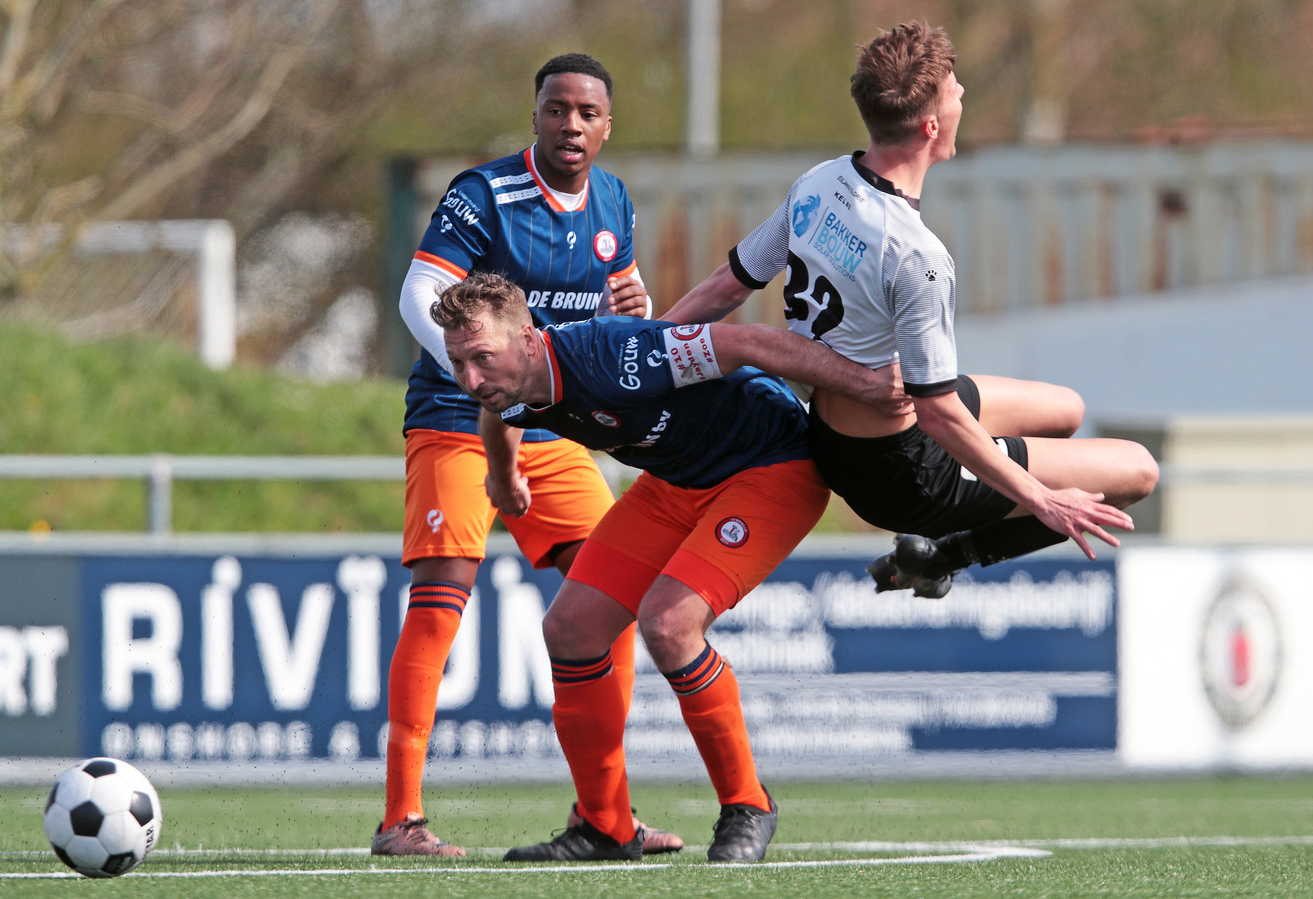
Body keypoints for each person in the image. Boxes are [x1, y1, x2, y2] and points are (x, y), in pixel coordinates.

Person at [663, 21, 1158, 597]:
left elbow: (728, 284)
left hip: (831, 433)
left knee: (1065, 410)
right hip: (904, 474)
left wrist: (642, 348)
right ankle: (946, 556)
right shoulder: (919, 256)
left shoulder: (819, 183)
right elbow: (938, 416)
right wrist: (1043, 501)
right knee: (1138, 470)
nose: (963, 96)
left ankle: (971, 528)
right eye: (954, 89)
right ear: (931, 126)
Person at [432, 271, 906, 862]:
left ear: (529, 339)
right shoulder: (512, 385)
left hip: (770, 466)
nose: (471, 379)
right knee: (570, 630)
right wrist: (502, 481)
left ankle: (748, 805)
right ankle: (605, 826)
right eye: (457, 363)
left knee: (669, 626)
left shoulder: (612, 354)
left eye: (482, 358)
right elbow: (500, 417)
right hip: (678, 482)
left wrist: (864, 384)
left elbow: (748, 343)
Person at [377, 52, 683, 857]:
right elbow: (419, 293)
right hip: (454, 418)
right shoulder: (485, 196)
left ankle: (606, 815)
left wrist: (640, 305)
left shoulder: (612, 200)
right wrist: (478, 379)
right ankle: (400, 819)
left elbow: (629, 303)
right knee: (442, 599)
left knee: (610, 597)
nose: (570, 125)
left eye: (586, 113)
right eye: (556, 110)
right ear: (536, 115)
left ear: (607, 125)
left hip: (553, 429)